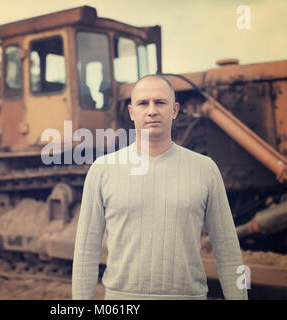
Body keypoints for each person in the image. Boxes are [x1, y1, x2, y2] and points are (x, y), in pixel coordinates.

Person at [72, 74, 248, 300]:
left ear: (174, 110)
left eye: (160, 102)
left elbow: (228, 250)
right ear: (131, 112)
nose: (152, 110)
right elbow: (86, 252)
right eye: (143, 103)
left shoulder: (205, 169)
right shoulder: (103, 170)